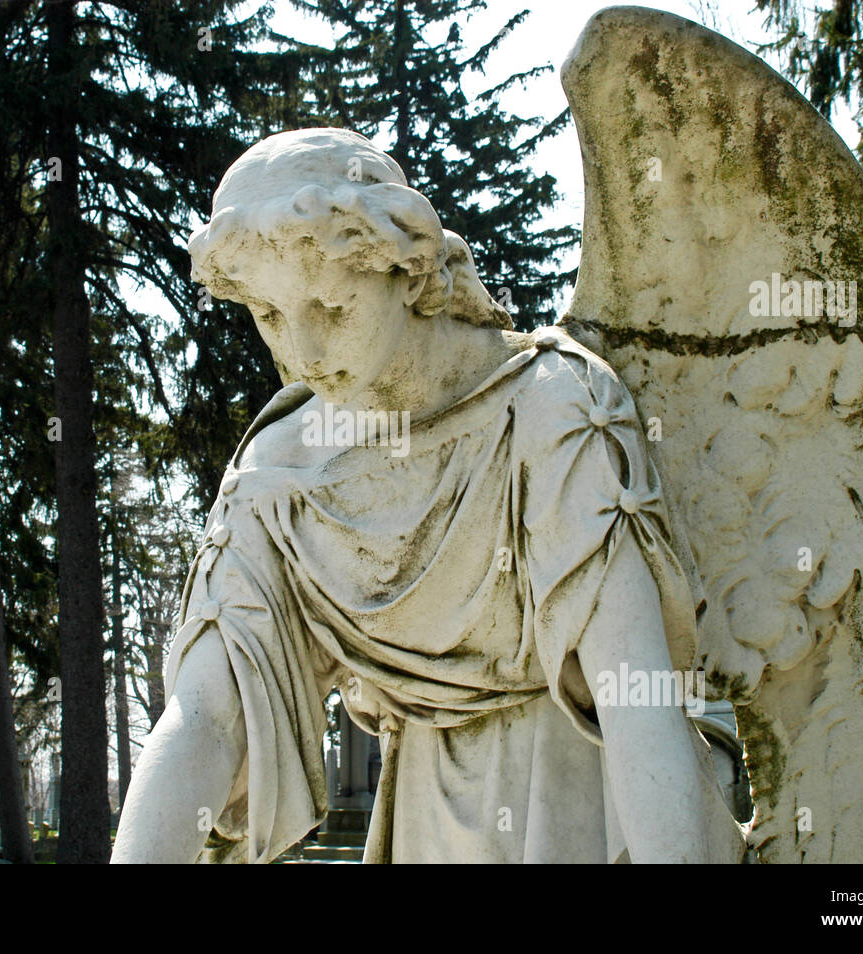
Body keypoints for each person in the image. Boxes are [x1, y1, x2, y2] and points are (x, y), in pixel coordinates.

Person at [111, 128, 744, 863]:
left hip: (589, 806)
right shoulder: (276, 474)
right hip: (425, 822)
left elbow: (640, 707)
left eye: (332, 309)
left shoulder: (550, 409)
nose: (305, 356)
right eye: (272, 317)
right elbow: (206, 721)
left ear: (407, 272)